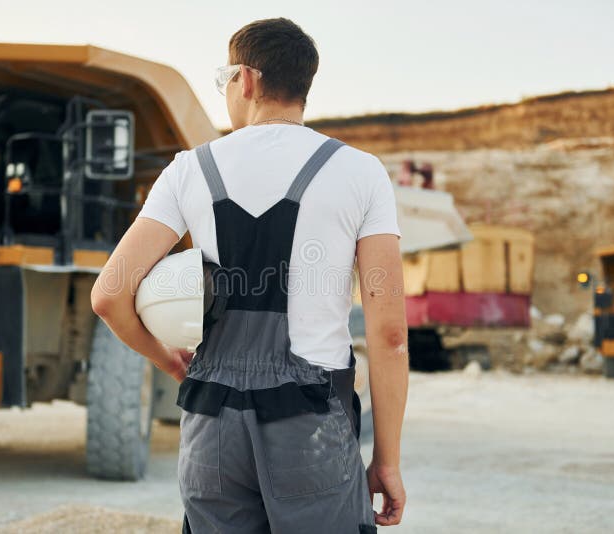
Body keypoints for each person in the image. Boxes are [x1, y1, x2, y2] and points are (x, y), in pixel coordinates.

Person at [91, 17, 409, 532]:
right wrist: (386, 462)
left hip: (211, 422)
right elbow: (390, 334)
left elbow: (108, 296)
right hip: (310, 425)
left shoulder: (187, 170)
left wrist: (171, 362)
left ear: (246, 79)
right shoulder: (361, 172)